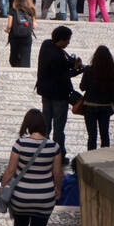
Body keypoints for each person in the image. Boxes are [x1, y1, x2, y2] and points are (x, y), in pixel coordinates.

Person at [0, 109, 62, 226]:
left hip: (21, 197)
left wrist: (2, 186)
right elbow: (57, 172)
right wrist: (58, 189)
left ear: (27, 124)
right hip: (44, 197)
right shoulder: (53, 147)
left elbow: (10, 171)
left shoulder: (20, 144)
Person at [36, 25, 83, 157]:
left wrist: (71, 63)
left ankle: (41, 151)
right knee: (58, 127)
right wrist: (79, 69)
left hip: (45, 93)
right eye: (67, 40)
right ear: (61, 40)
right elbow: (66, 74)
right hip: (59, 96)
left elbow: (62, 61)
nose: (68, 42)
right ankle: (59, 154)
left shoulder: (47, 45)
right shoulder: (58, 56)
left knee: (46, 124)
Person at [79, 45, 114, 149]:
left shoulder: (89, 70)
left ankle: (90, 158)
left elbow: (82, 87)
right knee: (104, 134)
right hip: (105, 106)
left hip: (90, 106)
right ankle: (104, 157)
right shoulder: (113, 72)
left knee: (92, 135)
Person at [5, 0, 35, 69]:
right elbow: (34, 26)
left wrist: (6, 30)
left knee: (14, 54)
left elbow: (9, 25)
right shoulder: (31, 10)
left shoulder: (13, 10)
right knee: (26, 55)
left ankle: (15, 65)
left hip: (15, 36)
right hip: (27, 37)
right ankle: (24, 68)